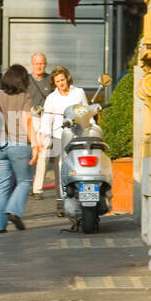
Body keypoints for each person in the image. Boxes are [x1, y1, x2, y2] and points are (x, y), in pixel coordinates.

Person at [0, 63, 37, 232]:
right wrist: (35, 144)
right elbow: (27, 120)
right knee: (24, 181)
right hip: (19, 144)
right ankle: (13, 211)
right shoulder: (25, 97)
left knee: (1, 185)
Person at [41, 65, 88, 202]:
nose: (61, 83)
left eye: (62, 80)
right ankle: (61, 201)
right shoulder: (51, 98)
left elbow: (86, 112)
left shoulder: (79, 92)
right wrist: (44, 136)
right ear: (54, 83)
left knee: (79, 166)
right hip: (59, 136)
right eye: (57, 81)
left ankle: (81, 198)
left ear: (67, 78)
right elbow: (47, 118)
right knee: (60, 168)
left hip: (77, 135)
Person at [26, 52, 54, 196]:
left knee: (44, 152)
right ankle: (27, 183)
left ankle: (38, 188)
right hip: (29, 120)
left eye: (42, 63)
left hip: (46, 120)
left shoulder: (51, 80)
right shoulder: (26, 80)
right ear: (32, 64)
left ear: (45, 64)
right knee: (31, 152)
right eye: (36, 63)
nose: (39, 66)